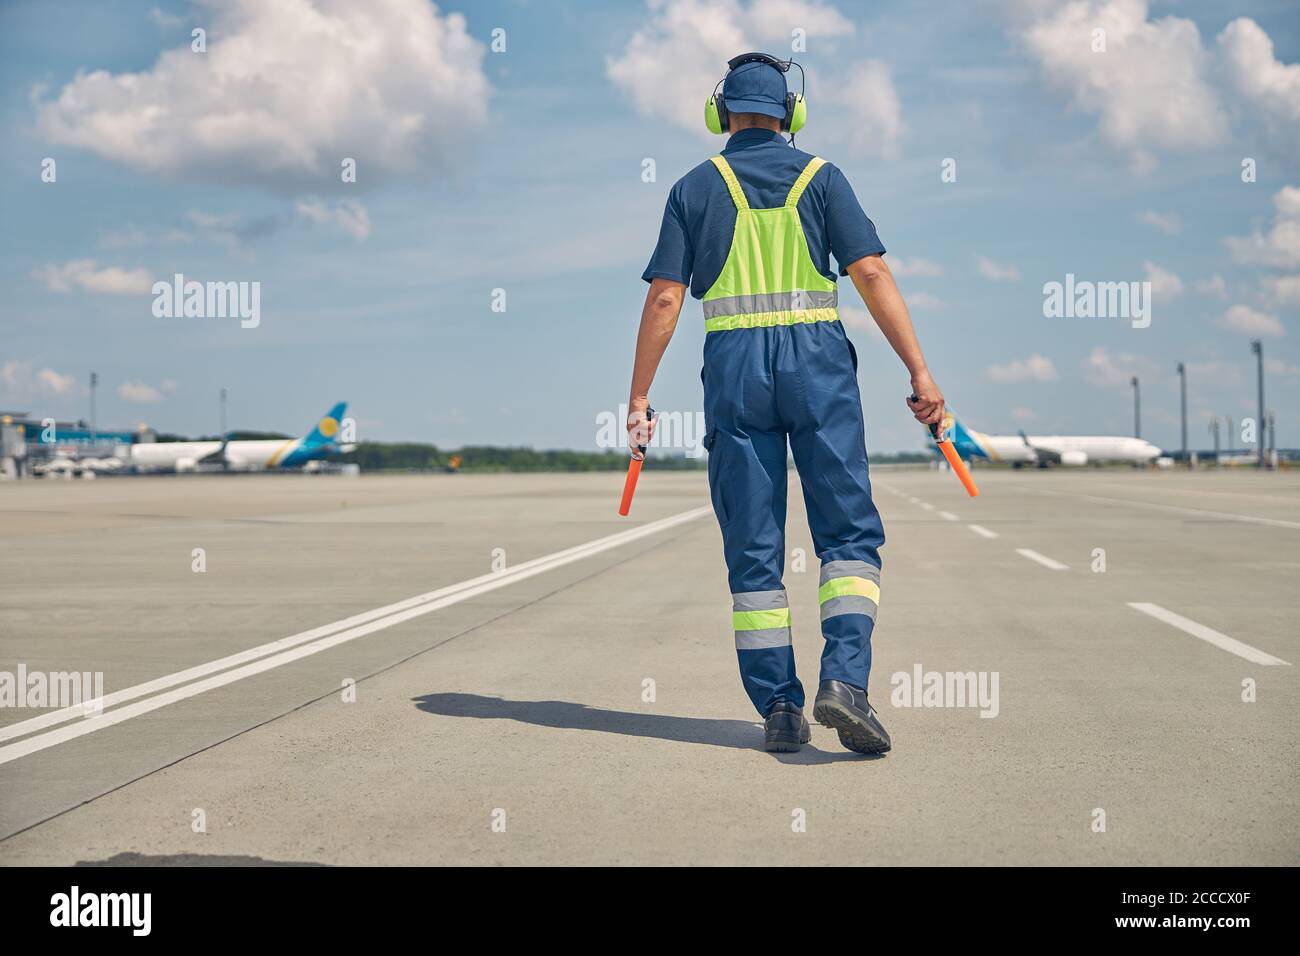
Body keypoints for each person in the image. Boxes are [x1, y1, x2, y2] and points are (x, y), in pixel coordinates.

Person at [625, 53, 945, 754]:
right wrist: (919, 371)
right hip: (817, 368)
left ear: (721, 114)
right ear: (790, 115)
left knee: (754, 549)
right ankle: (846, 683)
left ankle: (778, 707)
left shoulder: (692, 189)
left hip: (736, 373)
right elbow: (869, 270)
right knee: (848, 534)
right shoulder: (821, 178)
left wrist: (641, 396)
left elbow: (667, 296)